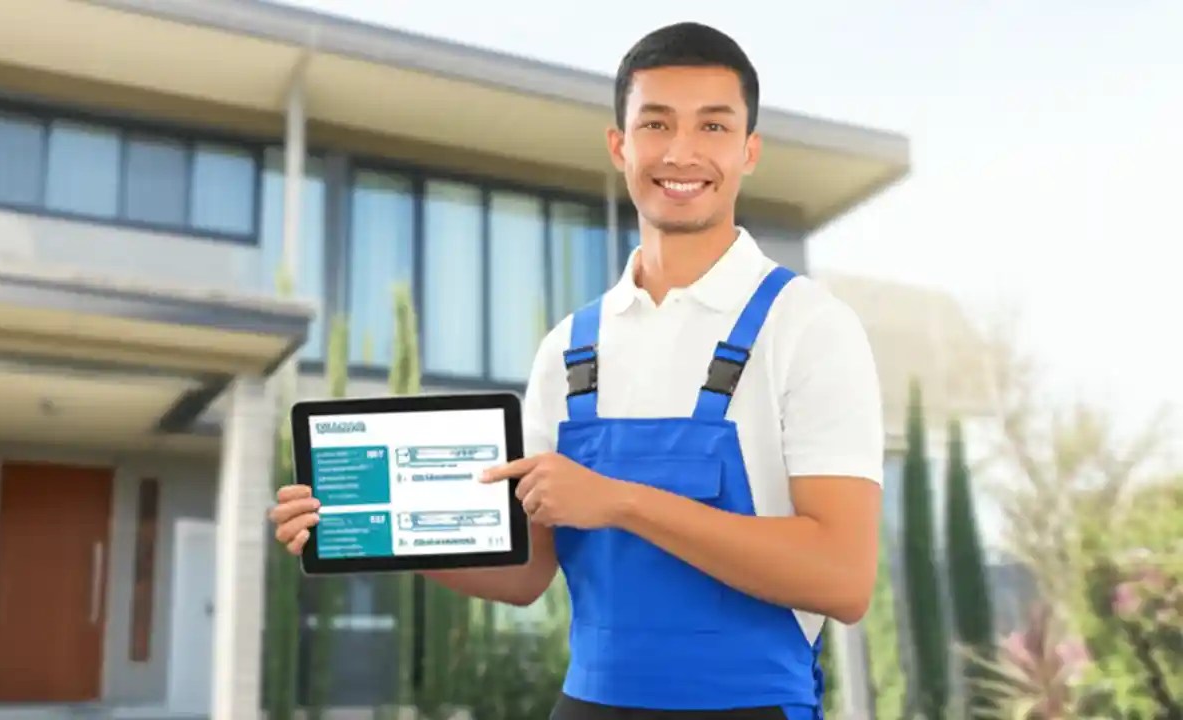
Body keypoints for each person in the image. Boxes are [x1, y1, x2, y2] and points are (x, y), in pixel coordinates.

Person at [269, 21, 884, 720]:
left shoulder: (808, 327)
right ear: (620, 146)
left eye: (713, 127)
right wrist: (373, 531)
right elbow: (529, 570)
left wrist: (619, 500)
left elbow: (842, 577)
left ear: (749, 151)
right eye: (656, 124)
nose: (682, 152)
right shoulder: (570, 349)